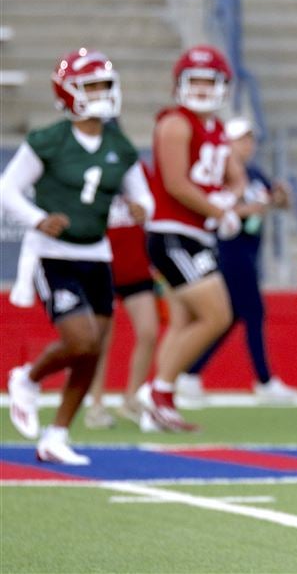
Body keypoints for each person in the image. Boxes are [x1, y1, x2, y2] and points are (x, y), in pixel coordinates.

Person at [1, 48, 152, 464]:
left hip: (98, 255)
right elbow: (7, 189)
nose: (102, 94)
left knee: (93, 349)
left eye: (105, 85)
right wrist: (37, 219)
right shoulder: (49, 141)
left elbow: (143, 196)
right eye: (92, 86)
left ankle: (58, 434)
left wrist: (143, 209)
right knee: (80, 340)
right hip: (54, 255)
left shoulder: (118, 145)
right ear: (68, 94)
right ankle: (27, 379)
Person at [140, 44, 254, 432]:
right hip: (173, 234)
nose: (203, 88)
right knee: (217, 315)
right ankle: (158, 393)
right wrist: (218, 210)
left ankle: (159, 396)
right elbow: (175, 184)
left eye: (210, 80)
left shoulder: (217, 129)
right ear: (180, 85)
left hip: (196, 236)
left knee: (184, 320)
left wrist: (229, 198)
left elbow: (237, 177)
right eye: (196, 80)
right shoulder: (176, 123)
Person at [176, 117, 297, 405]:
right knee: (253, 312)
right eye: (241, 140)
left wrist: (280, 198)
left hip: (249, 249)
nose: (247, 146)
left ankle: (190, 375)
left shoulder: (254, 173)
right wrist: (247, 210)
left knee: (228, 317)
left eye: (249, 140)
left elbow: (274, 203)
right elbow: (211, 211)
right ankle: (264, 381)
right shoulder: (218, 174)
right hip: (228, 249)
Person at [81, 163, 160, 429]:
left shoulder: (137, 171)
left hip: (136, 265)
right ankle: (95, 404)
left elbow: (152, 209)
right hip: (101, 263)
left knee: (149, 331)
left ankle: (131, 398)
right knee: (101, 338)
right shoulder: (88, 170)